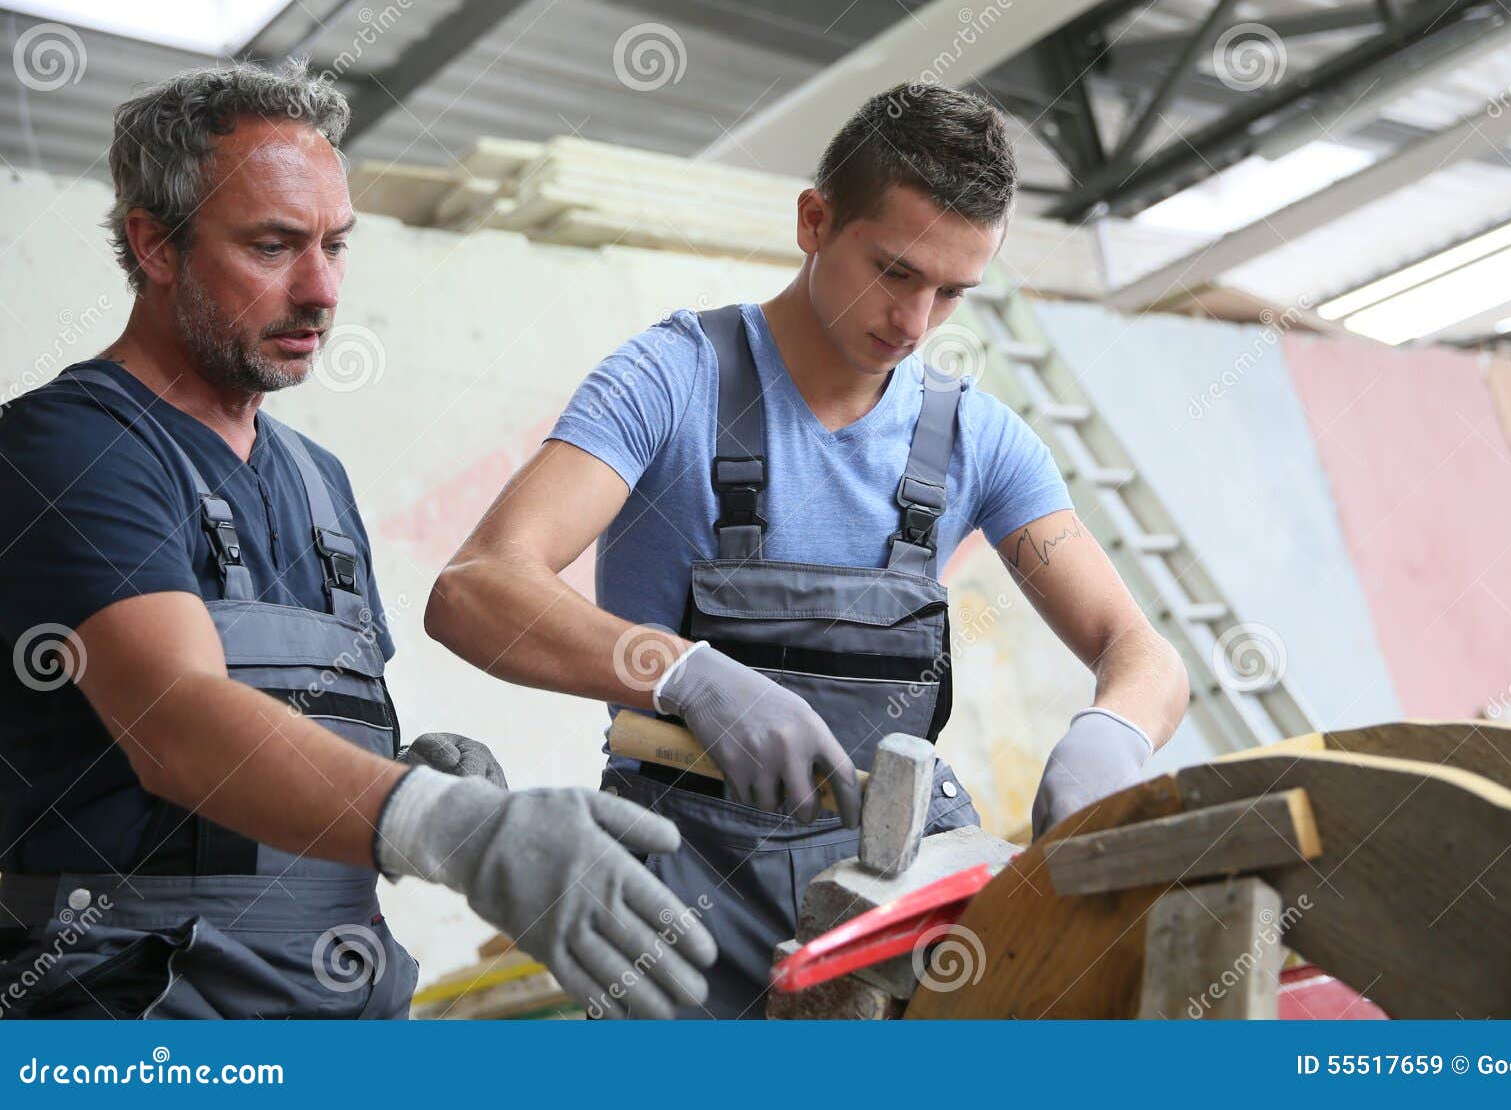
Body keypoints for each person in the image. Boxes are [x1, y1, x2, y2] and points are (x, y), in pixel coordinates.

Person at [424, 82, 1190, 1018]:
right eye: (896, 271)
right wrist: (687, 675)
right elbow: (474, 587)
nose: (915, 321)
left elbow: (1139, 648)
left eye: (952, 292)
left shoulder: (980, 441)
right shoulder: (671, 381)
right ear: (814, 220)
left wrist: (1113, 733)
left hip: (893, 899)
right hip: (682, 905)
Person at [0, 61, 712, 1020]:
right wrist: (452, 825)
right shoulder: (70, 447)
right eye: (272, 246)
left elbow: (293, 731)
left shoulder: (315, 482)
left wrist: (405, 767)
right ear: (155, 245)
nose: (321, 289)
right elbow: (176, 724)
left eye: (336, 245)